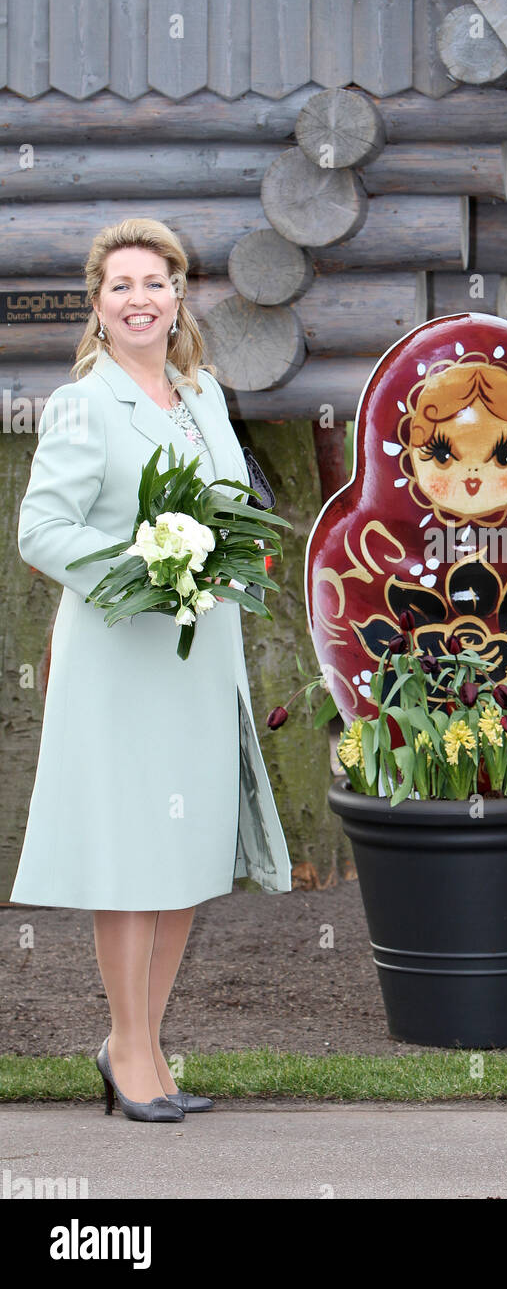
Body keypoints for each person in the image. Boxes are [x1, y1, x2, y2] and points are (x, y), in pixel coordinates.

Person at [11, 218, 292, 1122]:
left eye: (156, 282)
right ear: (98, 306)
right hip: (121, 655)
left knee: (180, 855)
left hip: (199, 654)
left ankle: (144, 1041)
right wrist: (146, 570)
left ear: (180, 298)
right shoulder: (84, 403)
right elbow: (40, 533)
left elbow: (227, 507)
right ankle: (128, 1047)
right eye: (121, 284)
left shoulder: (200, 392)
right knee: (131, 855)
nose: (140, 298)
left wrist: (228, 561)